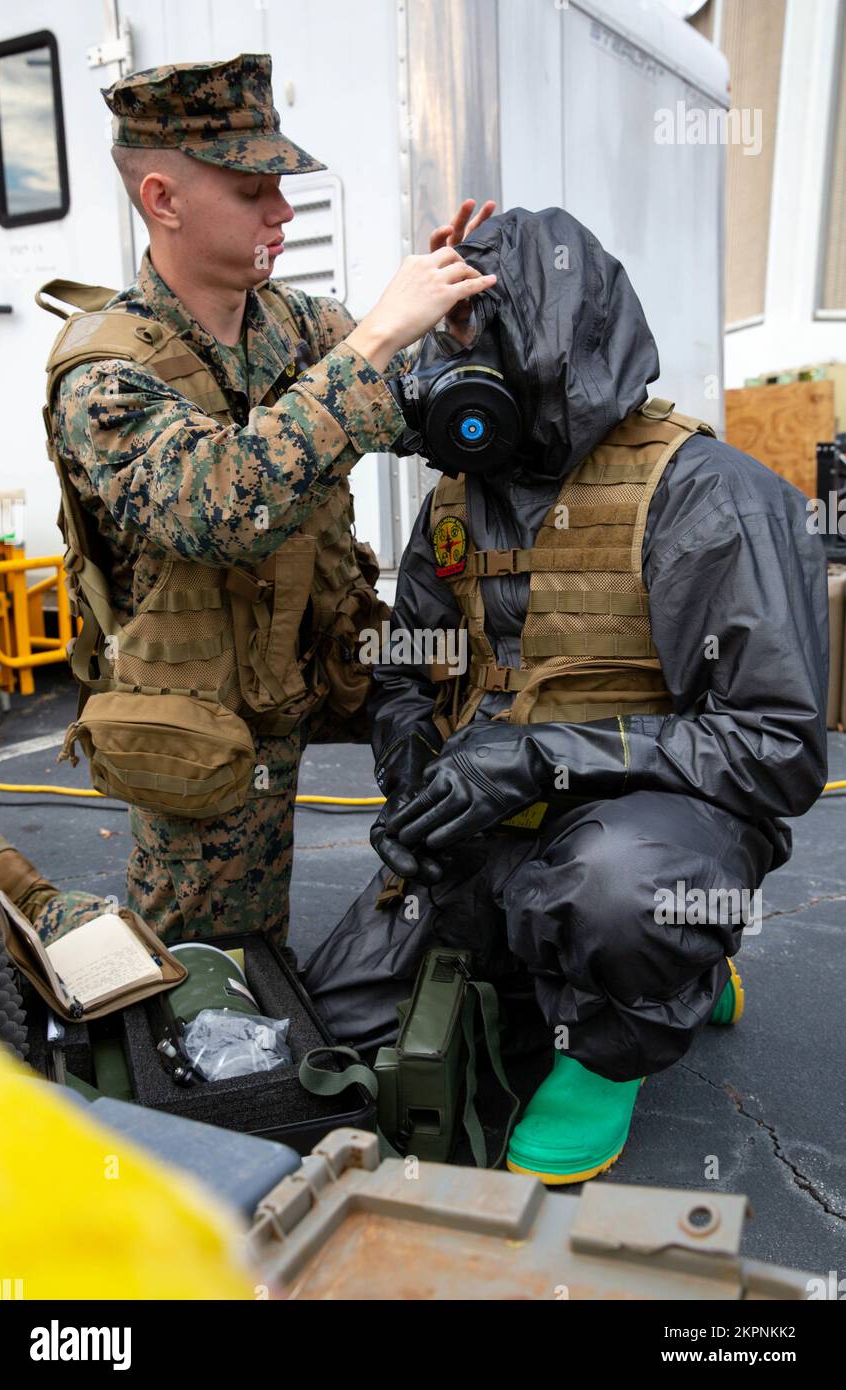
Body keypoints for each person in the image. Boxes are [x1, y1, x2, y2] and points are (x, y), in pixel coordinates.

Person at [302, 206, 829, 1184]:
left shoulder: (710, 495)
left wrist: (547, 752)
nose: (434, 376)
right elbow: (407, 664)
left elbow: (777, 745)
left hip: (639, 830)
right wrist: (410, 761)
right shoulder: (452, 505)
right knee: (340, 1018)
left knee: (619, 897)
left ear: (546, 342)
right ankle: (629, 964)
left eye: (466, 340)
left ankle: (617, 1037)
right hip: (491, 821)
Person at [26, 52, 496, 949]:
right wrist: (373, 346)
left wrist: (462, 338)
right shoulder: (104, 375)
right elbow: (218, 507)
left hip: (324, 655)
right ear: (164, 200)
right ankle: (49, 925)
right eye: (253, 191)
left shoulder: (300, 325)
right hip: (205, 718)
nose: (283, 211)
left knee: (500, 714)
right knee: (217, 988)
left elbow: (425, 410)